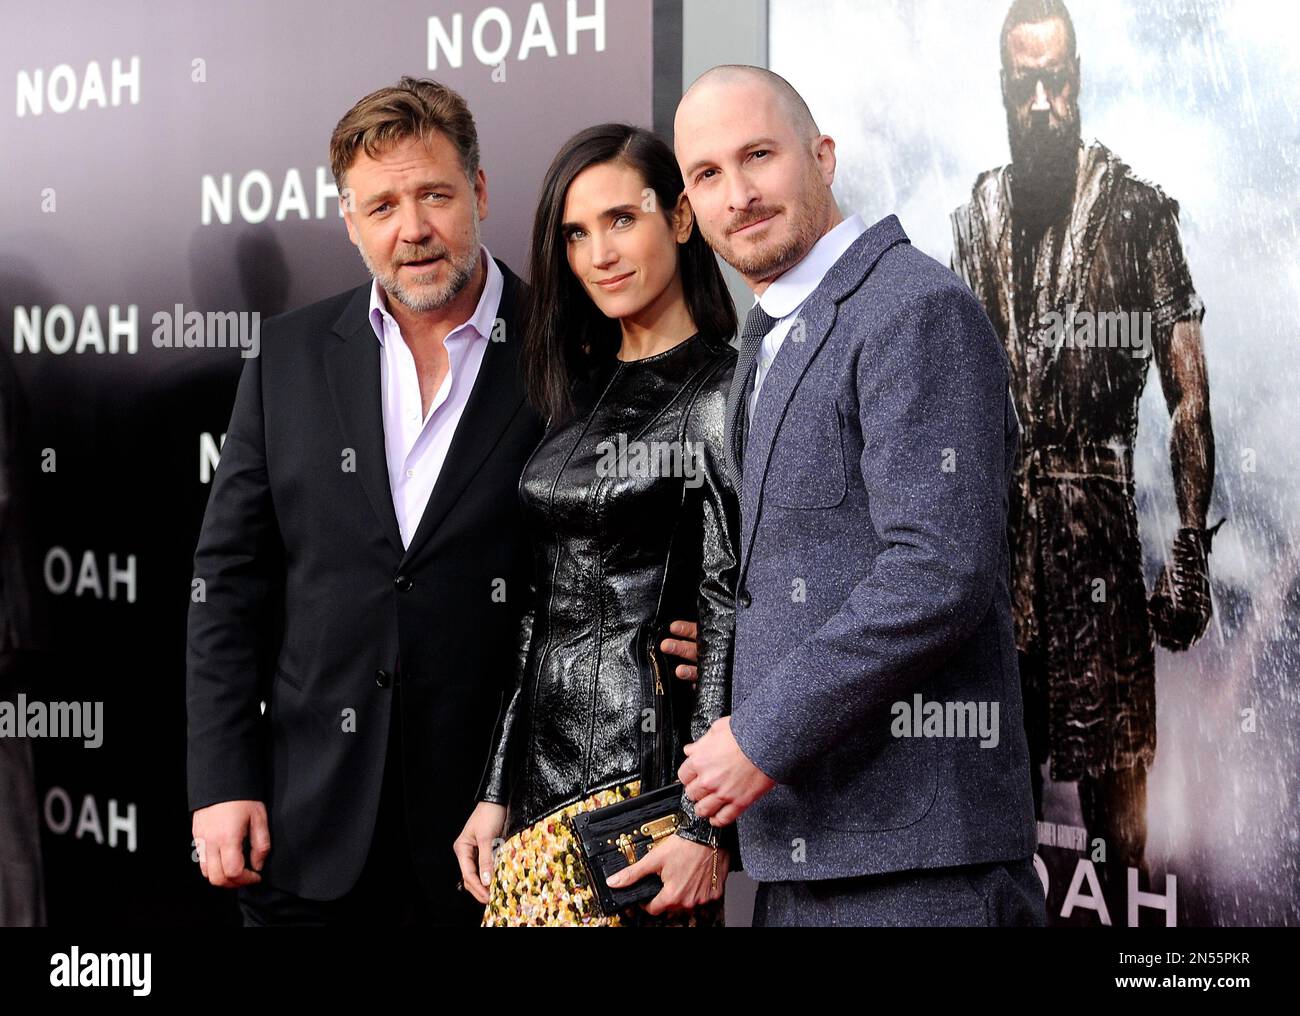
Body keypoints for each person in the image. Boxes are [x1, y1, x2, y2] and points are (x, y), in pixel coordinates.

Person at [186, 79, 700, 927]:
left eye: (433, 194)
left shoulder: (577, 354)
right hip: (305, 832)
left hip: (500, 842)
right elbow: (227, 583)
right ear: (350, 221)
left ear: (481, 192)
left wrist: (688, 629)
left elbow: (633, 561)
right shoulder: (288, 356)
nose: (412, 227)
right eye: (381, 204)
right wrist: (222, 781)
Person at [671, 65, 1045, 926]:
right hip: (806, 855)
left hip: (919, 869)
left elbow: (937, 569)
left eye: (757, 155)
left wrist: (760, 735)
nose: (739, 194)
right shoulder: (764, 341)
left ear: (823, 156)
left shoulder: (915, 309)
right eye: (707, 175)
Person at [949, 0, 1217, 912]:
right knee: (995, 810)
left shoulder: (1139, 213)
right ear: (1000, 91)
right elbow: (953, 406)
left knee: (1120, 814)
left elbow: (1189, 394)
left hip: (1098, 531)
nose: (1043, 103)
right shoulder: (975, 218)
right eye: (1023, 84)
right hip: (1001, 548)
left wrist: (1189, 550)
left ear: (1079, 80)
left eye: (1055, 80)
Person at [453, 123, 741, 926]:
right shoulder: (574, 390)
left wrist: (703, 823)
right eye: (576, 234)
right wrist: (494, 791)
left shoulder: (725, 392)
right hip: (542, 791)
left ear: (681, 220)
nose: (599, 254)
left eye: (623, 219)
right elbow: (542, 612)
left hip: (640, 791)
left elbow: (725, 611)